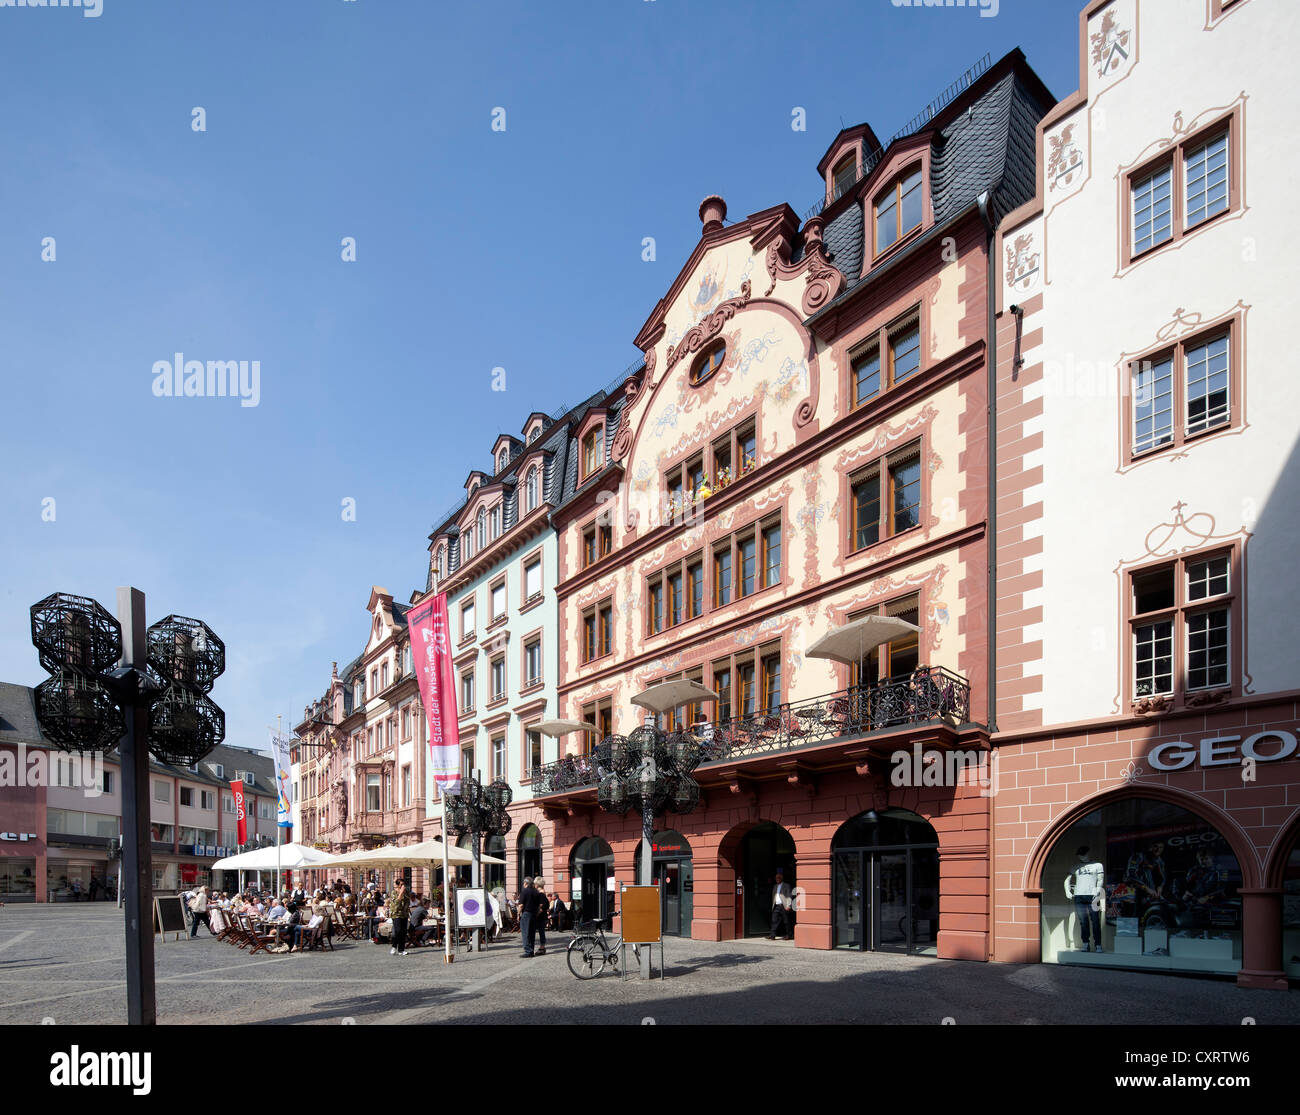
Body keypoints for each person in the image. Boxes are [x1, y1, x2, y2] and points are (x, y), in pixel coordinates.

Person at [519, 877, 543, 958]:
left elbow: (521, 905)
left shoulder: (524, 891)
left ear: (525, 883)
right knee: (532, 933)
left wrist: (518, 914)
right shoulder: (536, 891)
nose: (523, 885)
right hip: (534, 914)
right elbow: (539, 906)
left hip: (526, 914)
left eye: (523, 883)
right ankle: (531, 950)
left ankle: (528, 951)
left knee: (525, 933)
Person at [767, 871, 793, 940]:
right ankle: (772, 935)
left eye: (778, 878)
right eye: (776, 878)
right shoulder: (775, 886)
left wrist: (788, 905)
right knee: (774, 920)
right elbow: (773, 896)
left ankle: (789, 935)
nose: (777, 879)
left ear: (782, 878)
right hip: (776, 906)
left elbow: (789, 896)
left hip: (784, 905)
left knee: (786, 921)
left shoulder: (786, 885)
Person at [389, 879, 411, 956]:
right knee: (397, 931)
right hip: (396, 914)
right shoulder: (394, 893)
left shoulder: (407, 893)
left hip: (404, 914)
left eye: (404, 884)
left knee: (403, 932)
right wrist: (400, 894)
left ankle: (401, 949)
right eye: (401, 884)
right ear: (398, 885)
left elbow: (408, 903)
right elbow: (395, 905)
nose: (403, 886)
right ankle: (394, 946)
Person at [534, 878, 549, 955]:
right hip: (543, 916)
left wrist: (536, 915)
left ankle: (542, 948)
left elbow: (541, 907)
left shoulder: (541, 894)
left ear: (537, 884)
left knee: (541, 932)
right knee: (541, 932)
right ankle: (542, 947)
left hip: (541, 917)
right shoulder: (543, 893)